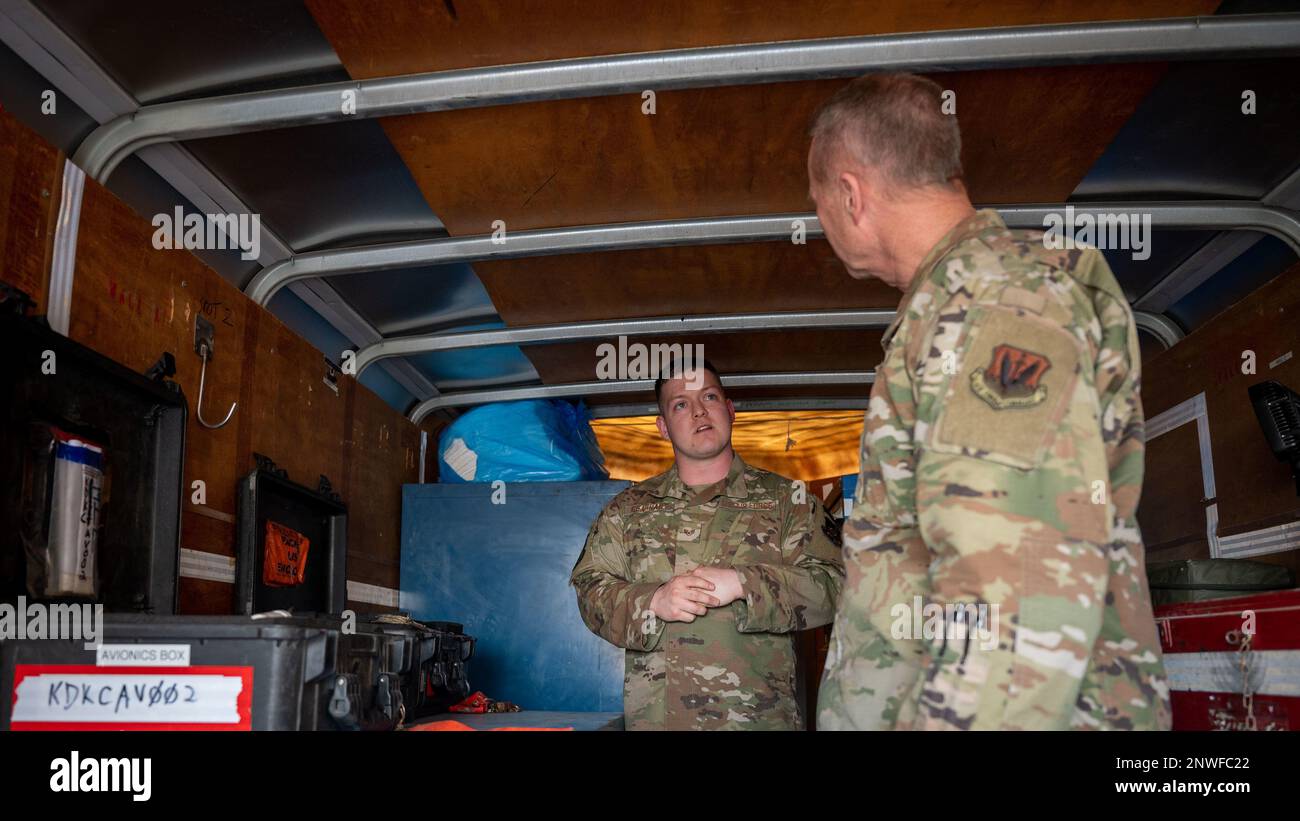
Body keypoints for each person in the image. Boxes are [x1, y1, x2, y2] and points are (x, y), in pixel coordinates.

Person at [807, 73, 1170, 730]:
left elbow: (1018, 592)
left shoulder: (993, 302)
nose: (821, 223)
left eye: (818, 203)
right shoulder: (968, 301)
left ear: (850, 194)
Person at [570, 359, 845, 730]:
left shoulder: (789, 502)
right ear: (663, 428)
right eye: (681, 403)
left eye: (710, 397)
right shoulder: (627, 510)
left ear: (729, 410)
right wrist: (653, 601)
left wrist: (745, 584)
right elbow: (590, 589)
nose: (699, 410)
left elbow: (839, 584)